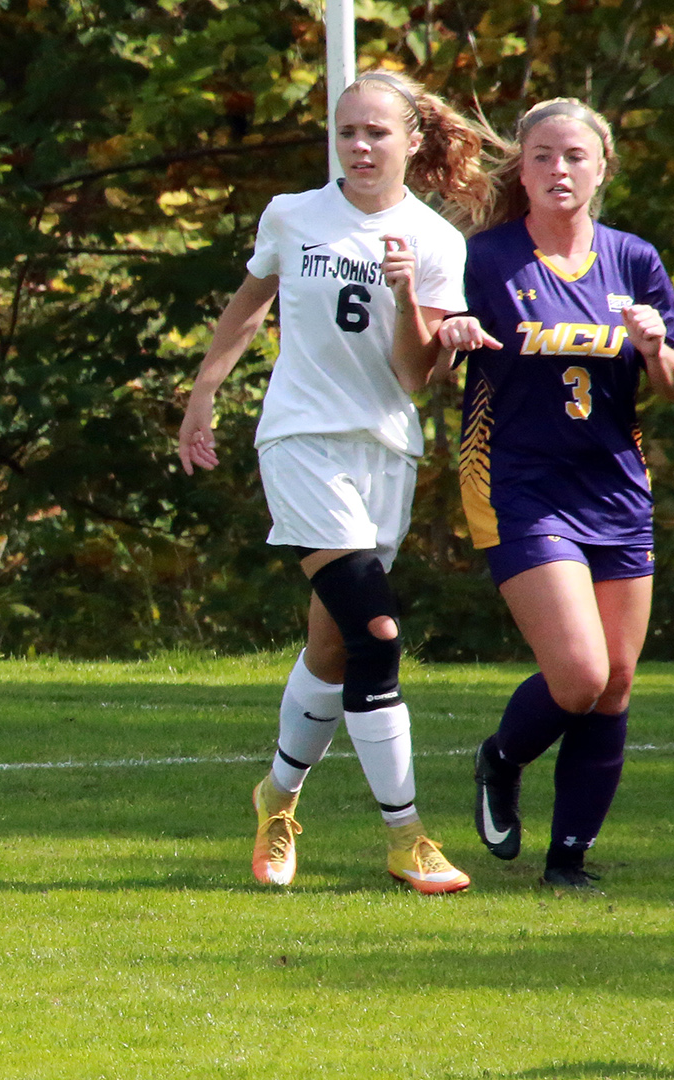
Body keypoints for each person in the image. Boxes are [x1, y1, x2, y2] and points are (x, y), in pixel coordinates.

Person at [178, 70, 497, 894]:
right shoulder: (293, 214)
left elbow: (411, 377)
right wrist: (205, 393)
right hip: (302, 442)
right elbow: (251, 301)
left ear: (413, 141)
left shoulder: (433, 241)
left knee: (330, 644)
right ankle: (408, 837)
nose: (359, 147)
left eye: (376, 134)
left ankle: (277, 800)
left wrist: (406, 299)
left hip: (383, 451)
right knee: (378, 634)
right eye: (346, 132)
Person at [439, 98, 674, 891]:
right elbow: (423, 361)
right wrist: (444, 336)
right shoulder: (483, 259)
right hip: (516, 481)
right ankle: (501, 757)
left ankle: (568, 863)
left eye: (575, 156)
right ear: (521, 166)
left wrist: (655, 347)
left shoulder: (633, 258)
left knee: (616, 681)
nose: (559, 170)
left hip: (614, 487)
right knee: (579, 675)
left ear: (602, 168)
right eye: (543, 155)